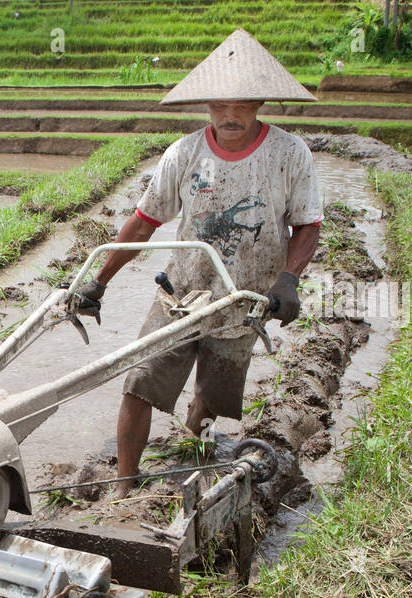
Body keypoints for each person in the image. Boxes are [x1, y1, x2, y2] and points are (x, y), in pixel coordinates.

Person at [75, 29, 324, 491]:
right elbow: (144, 222)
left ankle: (185, 474)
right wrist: (100, 280)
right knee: (139, 384)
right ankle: (125, 486)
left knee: (211, 398)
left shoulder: (290, 155)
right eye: (219, 106)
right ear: (205, 105)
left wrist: (288, 280)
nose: (230, 116)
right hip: (181, 294)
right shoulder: (184, 154)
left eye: (241, 106)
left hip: (244, 300)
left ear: (260, 103)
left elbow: (308, 224)